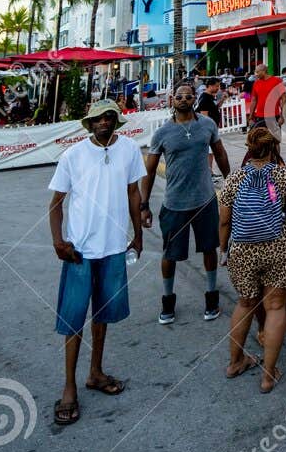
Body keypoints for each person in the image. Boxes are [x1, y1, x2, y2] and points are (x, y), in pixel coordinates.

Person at [47, 100, 144, 426]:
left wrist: (138, 233)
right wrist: (58, 241)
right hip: (80, 250)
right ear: (89, 124)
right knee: (74, 318)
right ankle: (69, 386)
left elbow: (133, 193)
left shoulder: (129, 149)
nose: (104, 122)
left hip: (114, 247)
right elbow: (56, 203)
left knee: (102, 314)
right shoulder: (73, 155)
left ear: (116, 120)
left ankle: (95, 372)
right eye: (98, 118)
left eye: (109, 117)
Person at [220, 126, 286, 394]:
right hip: (278, 248)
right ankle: (268, 375)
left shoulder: (234, 179)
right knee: (275, 309)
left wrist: (224, 249)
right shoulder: (284, 176)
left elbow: (225, 220)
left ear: (249, 150)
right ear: (273, 149)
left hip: (242, 251)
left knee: (245, 304)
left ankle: (235, 363)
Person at [142, 84, 234, 325]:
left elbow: (221, 153)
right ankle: (167, 300)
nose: (184, 99)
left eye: (188, 96)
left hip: (205, 200)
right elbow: (149, 171)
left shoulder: (207, 125)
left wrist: (232, 182)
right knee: (170, 254)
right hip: (174, 203)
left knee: (209, 249)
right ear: (172, 100)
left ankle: (211, 296)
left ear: (195, 99)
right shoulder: (162, 133)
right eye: (179, 96)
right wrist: (144, 204)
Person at [248, 62, 282, 130]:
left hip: (274, 116)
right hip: (260, 116)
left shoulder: (277, 81)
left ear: (264, 71)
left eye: (257, 72)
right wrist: (250, 117)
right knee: (260, 138)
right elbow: (254, 101)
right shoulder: (256, 83)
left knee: (274, 138)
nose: (256, 74)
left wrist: (282, 116)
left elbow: (282, 99)